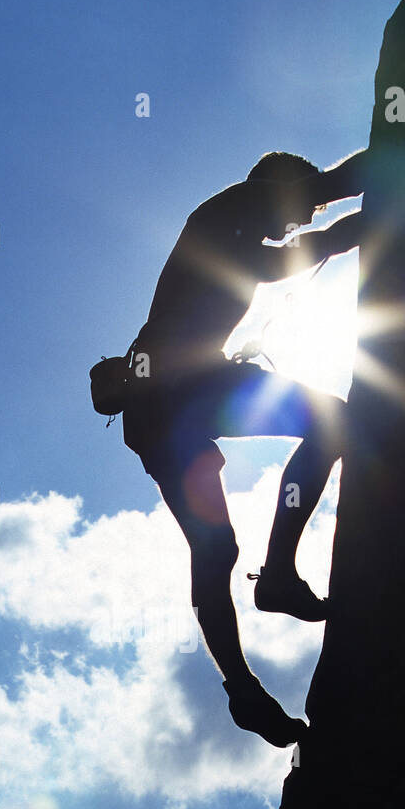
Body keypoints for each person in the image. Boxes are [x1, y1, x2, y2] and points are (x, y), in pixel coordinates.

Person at [121, 149, 365, 745]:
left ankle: (251, 658)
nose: (299, 219)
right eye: (299, 207)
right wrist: (396, 161)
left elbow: (312, 231)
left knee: (218, 548)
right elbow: (328, 199)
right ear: (278, 188)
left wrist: (343, 227)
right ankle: (269, 601)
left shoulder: (235, 224)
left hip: (180, 395)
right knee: (327, 425)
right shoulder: (232, 209)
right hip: (171, 397)